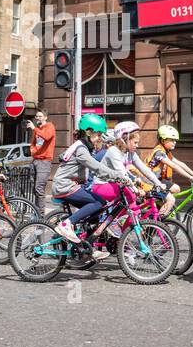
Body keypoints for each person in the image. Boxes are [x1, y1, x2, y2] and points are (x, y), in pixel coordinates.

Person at [51, 113, 123, 260]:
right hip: (65, 186)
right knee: (97, 202)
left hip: (71, 185)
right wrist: (117, 175)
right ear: (89, 132)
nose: (99, 139)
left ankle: (87, 247)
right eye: (98, 135)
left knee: (99, 206)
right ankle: (66, 224)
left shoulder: (83, 147)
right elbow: (96, 167)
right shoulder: (81, 149)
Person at [147, 124, 193, 218]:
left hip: (157, 180)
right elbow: (174, 166)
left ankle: (158, 207)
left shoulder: (166, 152)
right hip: (149, 181)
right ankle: (158, 223)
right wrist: (190, 177)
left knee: (176, 189)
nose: (174, 142)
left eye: (175, 140)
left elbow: (180, 163)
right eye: (171, 140)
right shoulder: (159, 152)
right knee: (171, 200)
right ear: (163, 140)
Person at [27, 110, 56, 208]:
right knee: (35, 189)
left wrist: (34, 128)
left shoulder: (50, 127)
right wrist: (32, 150)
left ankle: (41, 214)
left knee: (39, 188)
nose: (37, 118)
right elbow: (33, 143)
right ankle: (36, 212)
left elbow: (47, 137)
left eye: (40, 116)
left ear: (45, 117)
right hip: (35, 160)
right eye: (36, 116)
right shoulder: (37, 129)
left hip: (44, 161)